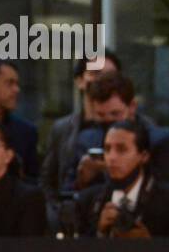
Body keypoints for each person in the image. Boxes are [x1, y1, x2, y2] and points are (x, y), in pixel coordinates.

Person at [40, 49, 122, 229]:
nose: (103, 80)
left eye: (110, 75)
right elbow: (48, 181)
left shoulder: (136, 127)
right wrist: (56, 216)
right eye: (96, 73)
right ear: (79, 81)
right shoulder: (62, 128)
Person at [75, 119, 169, 237]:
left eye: (121, 149)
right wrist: (100, 233)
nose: (111, 157)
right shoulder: (88, 201)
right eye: (107, 149)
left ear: (143, 156)